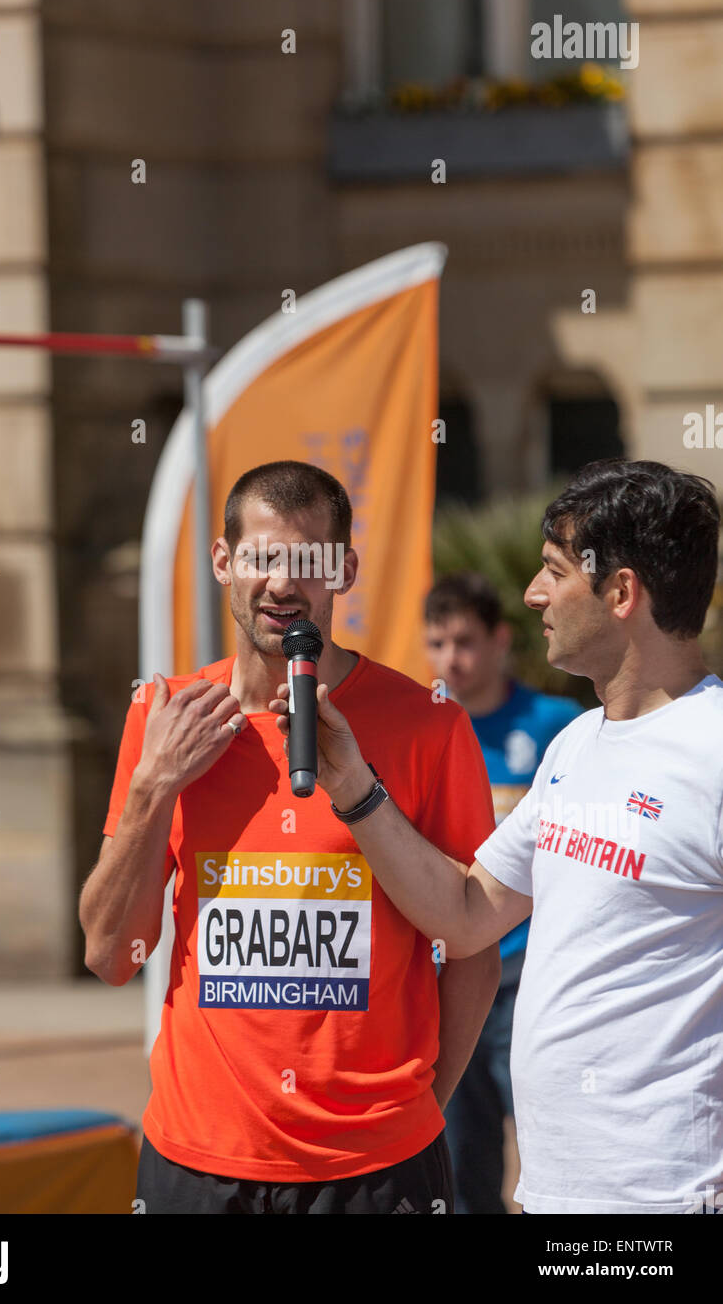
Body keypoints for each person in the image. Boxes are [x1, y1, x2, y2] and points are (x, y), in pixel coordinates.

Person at [272, 459, 723, 1213]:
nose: (532, 594)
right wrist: (353, 785)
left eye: (553, 571)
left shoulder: (712, 749)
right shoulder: (578, 743)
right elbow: (467, 912)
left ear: (620, 593)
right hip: (556, 1197)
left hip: (670, 1203)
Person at [80, 460, 501, 1214]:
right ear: (222, 562)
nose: (282, 583)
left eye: (307, 561)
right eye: (261, 557)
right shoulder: (165, 717)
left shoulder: (429, 726)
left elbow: (472, 947)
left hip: (377, 1166)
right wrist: (154, 787)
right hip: (199, 1159)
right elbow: (112, 955)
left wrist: (422, 1108)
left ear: (344, 570)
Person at [423, 573, 583, 1213]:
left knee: (550, 1144)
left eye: (463, 641)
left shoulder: (559, 727)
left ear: (500, 640)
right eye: (435, 643)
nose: (449, 659)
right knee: (462, 1160)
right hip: (450, 968)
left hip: (529, 973)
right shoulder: (424, 729)